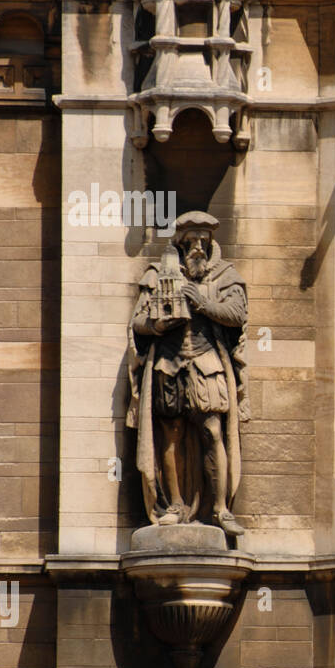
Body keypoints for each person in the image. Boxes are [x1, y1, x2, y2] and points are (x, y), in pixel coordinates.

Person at [127, 211, 250, 535]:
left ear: (211, 243)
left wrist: (203, 304)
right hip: (168, 365)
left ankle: (221, 509)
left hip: (207, 364)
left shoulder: (225, 275)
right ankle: (175, 505)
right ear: (180, 244)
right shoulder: (158, 274)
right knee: (170, 436)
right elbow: (137, 321)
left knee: (212, 432)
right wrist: (156, 325)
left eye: (203, 241)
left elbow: (237, 314)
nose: (197, 248)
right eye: (191, 242)